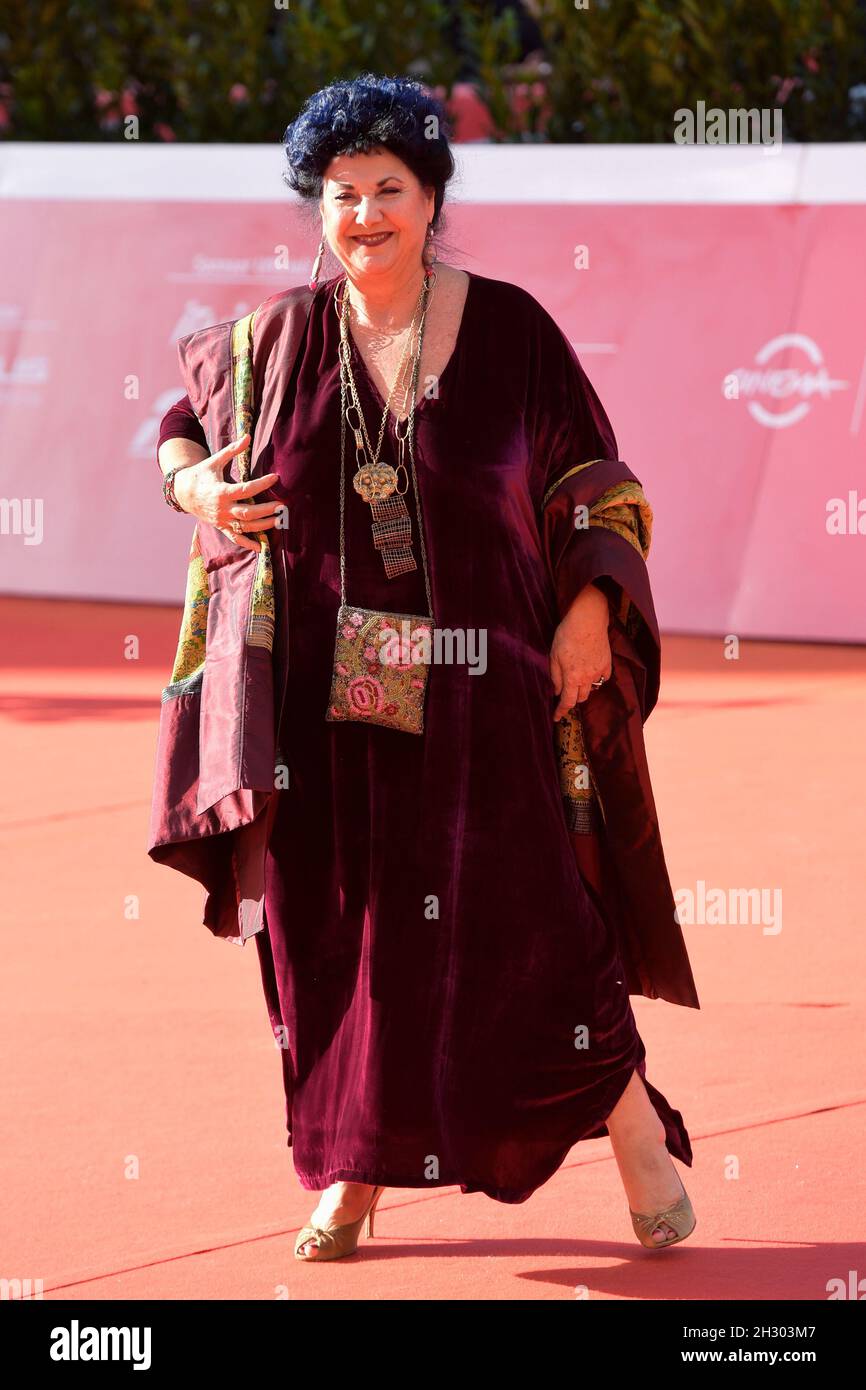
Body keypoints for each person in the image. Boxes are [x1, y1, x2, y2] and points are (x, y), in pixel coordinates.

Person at [154, 73, 700, 1262]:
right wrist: (194, 485)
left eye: (388, 189)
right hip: (319, 699)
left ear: (432, 196)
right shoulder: (272, 342)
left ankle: (628, 1131)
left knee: (536, 926)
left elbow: (594, 482)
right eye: (341, 195)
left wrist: (591, 608)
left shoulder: (510, 332)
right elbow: (178, 420)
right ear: (316, 210)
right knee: (334, 937)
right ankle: (352, 1168)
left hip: (485, 685)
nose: (364, 215)